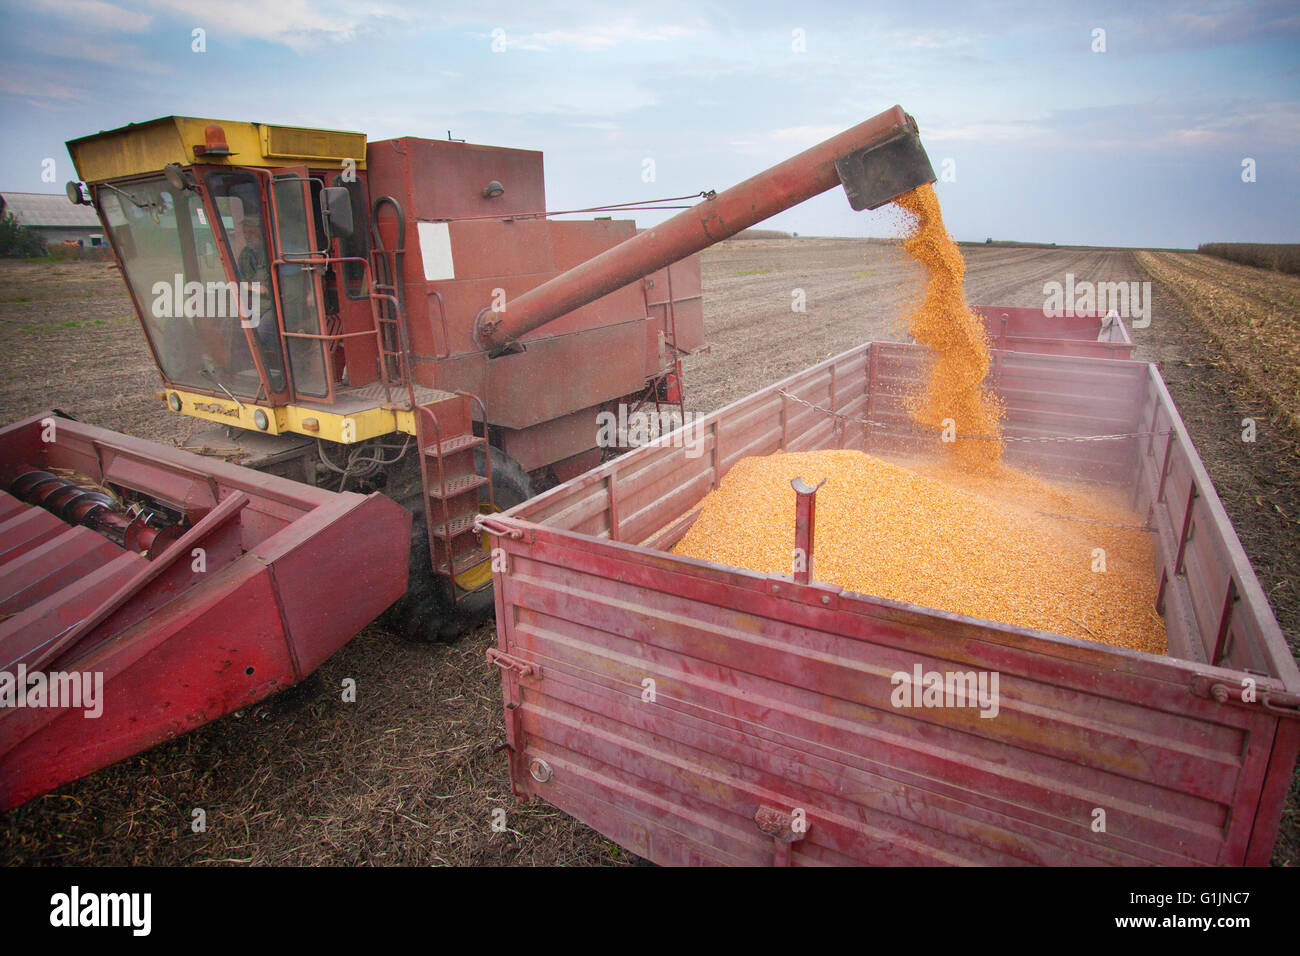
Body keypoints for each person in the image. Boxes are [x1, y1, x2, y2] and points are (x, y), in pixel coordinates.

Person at [234, 216, 285, 391]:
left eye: (251, 232)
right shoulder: (246, 256)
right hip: (255, 306)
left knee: (265, 328)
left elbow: (272, 289)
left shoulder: (274, 251)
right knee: (230, 324)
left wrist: (254, 288)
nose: (247, 236)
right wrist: (254, 288)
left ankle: (288, 369)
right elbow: (240, 281)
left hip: (277, 306)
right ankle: (238, 372)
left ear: (261, 231)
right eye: (245, 232)